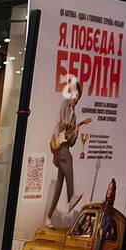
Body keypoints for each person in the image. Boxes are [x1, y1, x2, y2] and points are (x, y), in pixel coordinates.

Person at [47, 78, 84, 226]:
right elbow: (60, 126)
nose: (76, 98)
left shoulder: (74, 114)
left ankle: (48, 217)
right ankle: (71, 197)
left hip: (65, 146)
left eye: (78, 96)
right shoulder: (65, 106)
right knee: (69, 159)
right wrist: (66, 132)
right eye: (75, 95)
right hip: (59, 147)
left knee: (59, 186)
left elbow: (72, 142)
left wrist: (76, 132)